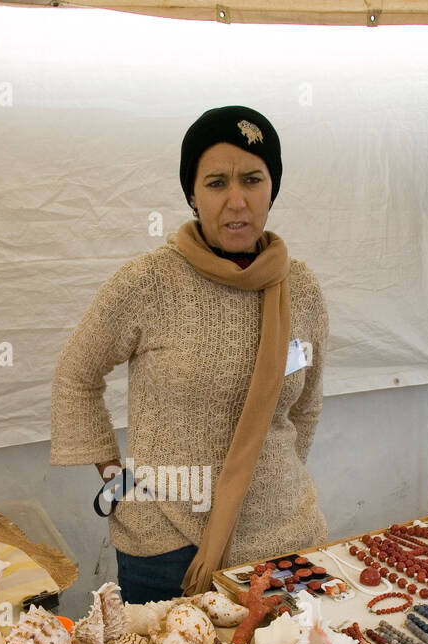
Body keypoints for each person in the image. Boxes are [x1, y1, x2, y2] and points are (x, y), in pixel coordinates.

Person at [51, 105, 329, 604]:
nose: (237, 200)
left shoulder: (302, 289)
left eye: (252, 179)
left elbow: (305, 406)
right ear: (192, 194)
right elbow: (77, 375)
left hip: (284, 541)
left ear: (273, 189)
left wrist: (259, 483)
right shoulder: (148, 282)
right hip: (165, 546)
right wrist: (115, 476)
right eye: (217, 182)